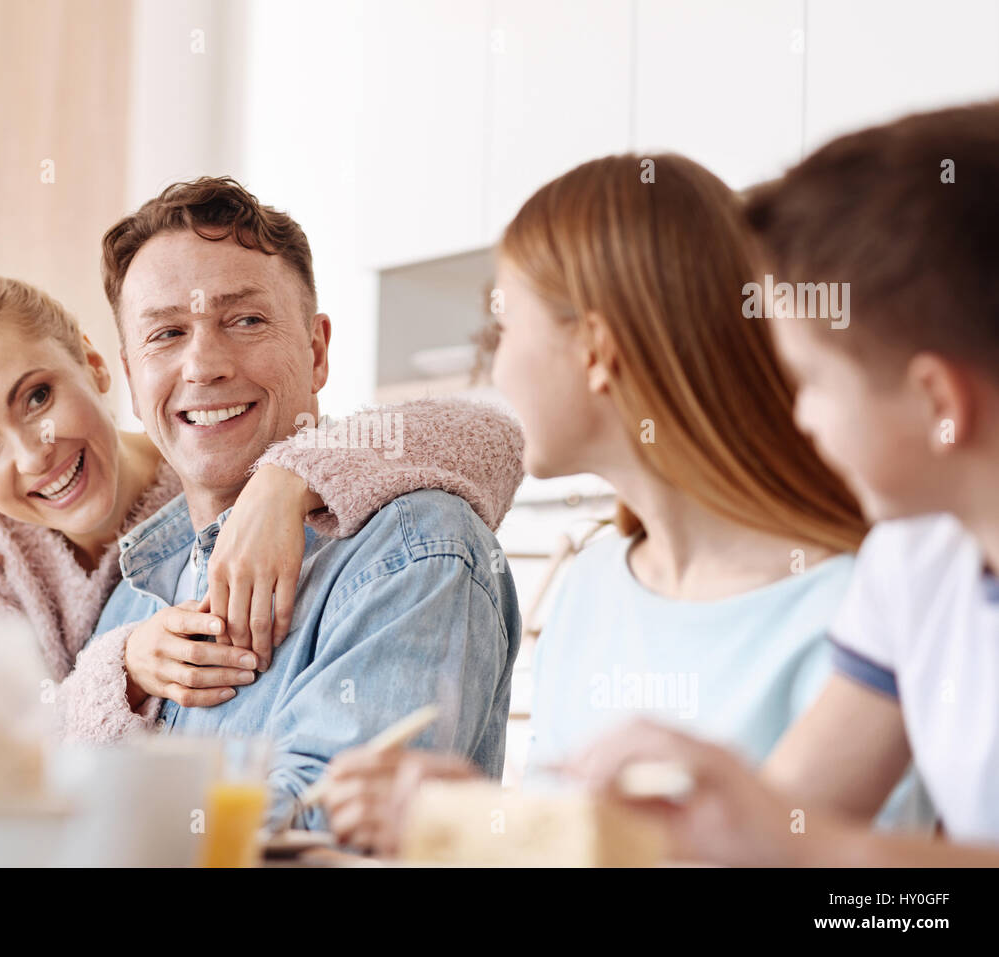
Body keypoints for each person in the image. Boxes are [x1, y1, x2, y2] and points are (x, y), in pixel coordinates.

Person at [318, 153, 927, 853]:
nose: (498, 367)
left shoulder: (854, 605)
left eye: (505, 328)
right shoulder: (593, 583)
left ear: (597, 350)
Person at [0, 255, 525, 776]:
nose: (33, 453)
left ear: (96, 364)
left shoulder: (205, 456)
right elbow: (9, 770)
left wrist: (287, 479)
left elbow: (486, 436)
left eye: (38, 395)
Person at [576, 101, 999, 865]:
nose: (799, 415)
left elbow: (809, 845)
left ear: (938, 401)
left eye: (809, 379)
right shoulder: (915, 562)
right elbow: (788, 819)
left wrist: (826, 852)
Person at [57, 177, 523, 830]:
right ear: (132, 379)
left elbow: (309, 830)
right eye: (166, 334)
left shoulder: (415, 549)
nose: (203, 365)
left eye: (244, 320)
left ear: (317, 350)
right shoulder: (135, 586)